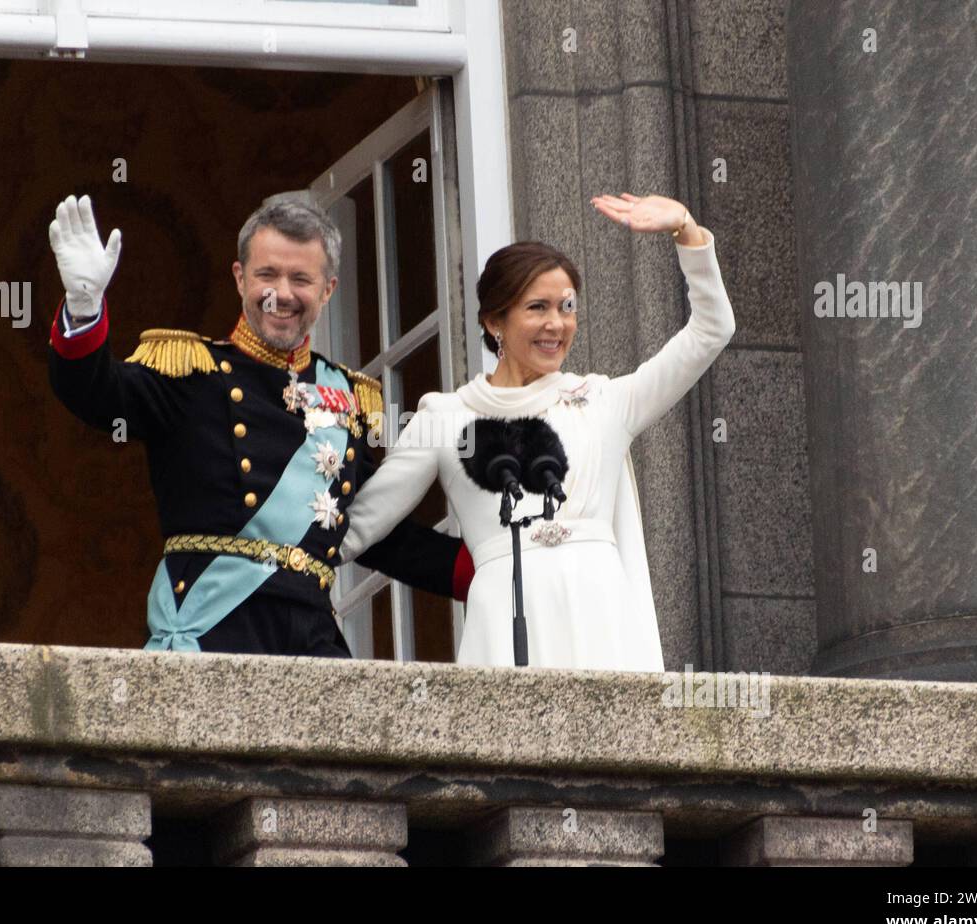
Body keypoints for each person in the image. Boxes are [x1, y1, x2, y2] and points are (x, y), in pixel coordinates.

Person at [46, 193, 473, 657]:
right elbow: (95, 392)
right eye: (267, 274)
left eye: (300, 279)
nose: (281, 294)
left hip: (311, 641)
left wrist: (505, 567)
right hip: (212, 631)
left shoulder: (345, 399)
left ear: (328, 289)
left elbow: (382, 535)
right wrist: (83, 307)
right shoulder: (192, 374)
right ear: (240, 277)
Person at [338, 192, 735, 671]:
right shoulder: (445, 418)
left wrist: (685, 230)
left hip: (602, 616)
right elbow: (358, 527)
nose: (556, 324)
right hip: (504, 618)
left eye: (566, 307)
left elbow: (711, 331)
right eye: (538, 308)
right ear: (494, 321)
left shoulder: (605, 401)